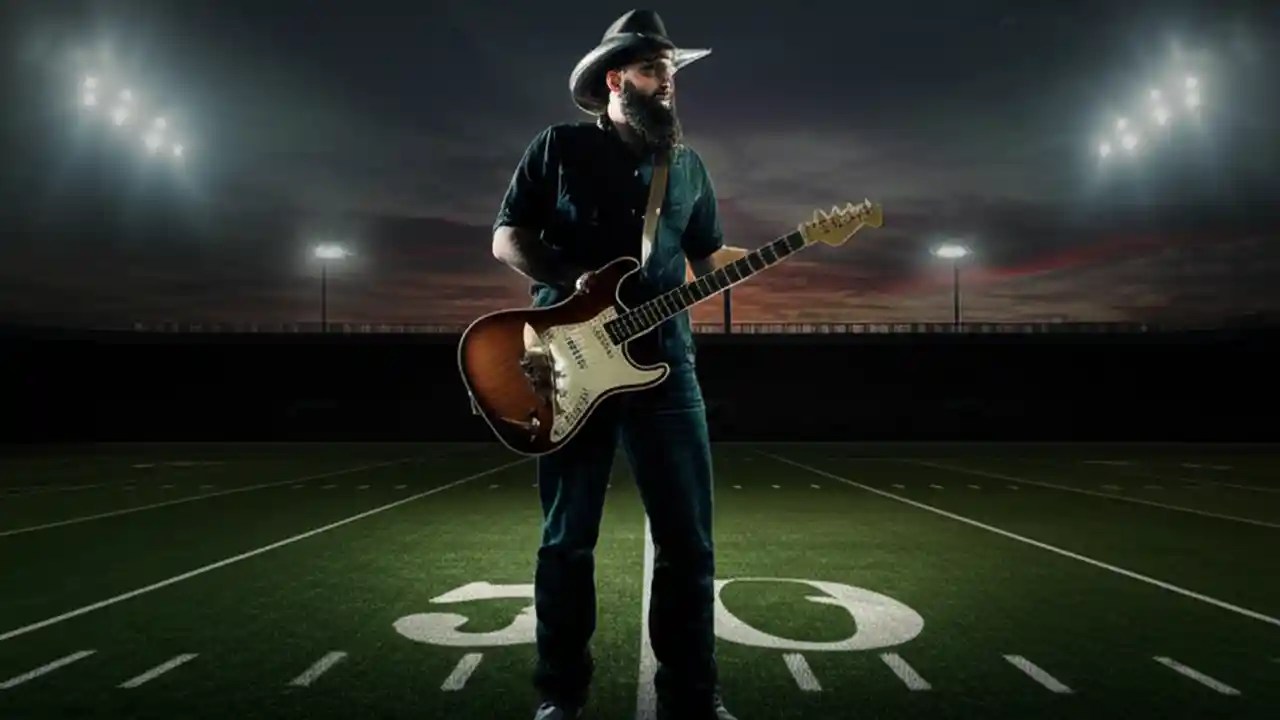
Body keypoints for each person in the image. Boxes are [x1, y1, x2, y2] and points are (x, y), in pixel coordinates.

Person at [489, 9, 747, 720]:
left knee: (688, 541)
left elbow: (706, 256)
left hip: (667, 367)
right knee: (568, 539)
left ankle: (691, 694)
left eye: (671, 71)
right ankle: (560, 695)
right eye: (653, 69)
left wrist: (794, 247)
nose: (669, 82)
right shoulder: (559, 146)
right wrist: (569, 280)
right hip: (568, 366)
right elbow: (507, 238)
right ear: (616, 78)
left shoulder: (688, 166)